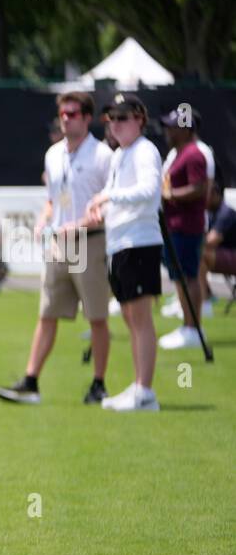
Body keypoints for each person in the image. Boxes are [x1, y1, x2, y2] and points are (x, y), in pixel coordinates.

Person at [0, 91, 112, 405]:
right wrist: (43, 220)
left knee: (97, 317)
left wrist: (82, 223)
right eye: (63, 113)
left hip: (90, 243)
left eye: (73, 113)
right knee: (47, 314)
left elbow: (109, 203)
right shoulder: (53, 154)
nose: (66, 118)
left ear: (87, 118)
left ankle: (99, 383)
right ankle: (31, 381)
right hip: (59, 246)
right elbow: (52, 199)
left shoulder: (102, 156)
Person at [86, 93, 163, 412]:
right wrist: (99, 203)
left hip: (139, 241)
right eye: (111, 118)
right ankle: (138, 386)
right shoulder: (121, 154)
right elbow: (114, 193)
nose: (115, 124)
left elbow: (150, 191)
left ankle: (145, 391)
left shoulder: (145, 151)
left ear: (139, 120)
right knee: (131, 317)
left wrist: (108, 198)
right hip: (121, 243)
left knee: (140, 318)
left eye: (122, 117)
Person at [157, 108, 210, 350]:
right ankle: (187, 325)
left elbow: (199, 189)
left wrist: (168, 194)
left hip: (187, 227)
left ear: (187, 129)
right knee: (180, 278)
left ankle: (192, 328)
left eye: (173, 126)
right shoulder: (179, 154)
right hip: (175, 226)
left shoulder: (193, 155)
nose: (168, 130)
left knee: (188, 277)